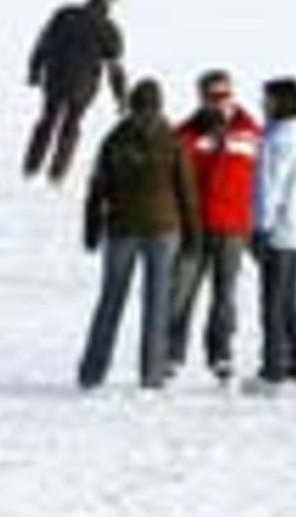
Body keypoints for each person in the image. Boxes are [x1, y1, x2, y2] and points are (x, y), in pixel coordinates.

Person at [77, 79, 199, 391]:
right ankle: (152, 376)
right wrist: (193, 235)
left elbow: (97, 189)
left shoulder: (114, 139)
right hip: (163, 229)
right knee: (156, 305)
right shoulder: (172, 140)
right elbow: (186, 192)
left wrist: (91, 228)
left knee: (110, 301)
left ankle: (92, 372)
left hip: (122, 229)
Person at [168, 70, 261, 383]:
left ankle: (221, 353)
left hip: (232, 226)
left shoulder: (249, 132)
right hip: (193, 228)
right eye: (212, 96)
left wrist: (256, 225)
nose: (219, 102)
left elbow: (262, 180)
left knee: (224, 295)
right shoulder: (187, 134)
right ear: (201, 98)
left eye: (224, 95)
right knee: (181, 293)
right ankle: (172, 353)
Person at [22, 0, 127, 186]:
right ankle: (57, 173)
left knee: (47, 120)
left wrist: (34, 70)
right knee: (71, 126)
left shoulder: (65, 14)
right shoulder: (109, 29)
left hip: (55, 78)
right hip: (83, 86)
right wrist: (121, 98)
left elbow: (42, 44)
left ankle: (31, 167)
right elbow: (115, 69)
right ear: (111, 1)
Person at [251, 77, 296, 388]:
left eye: (267, 99)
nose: (263, 104)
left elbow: (271, 187)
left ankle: (273, 366)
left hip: (279, 228)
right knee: (288, 299)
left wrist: (261, 227)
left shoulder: (277, 139)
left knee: (273, 302)